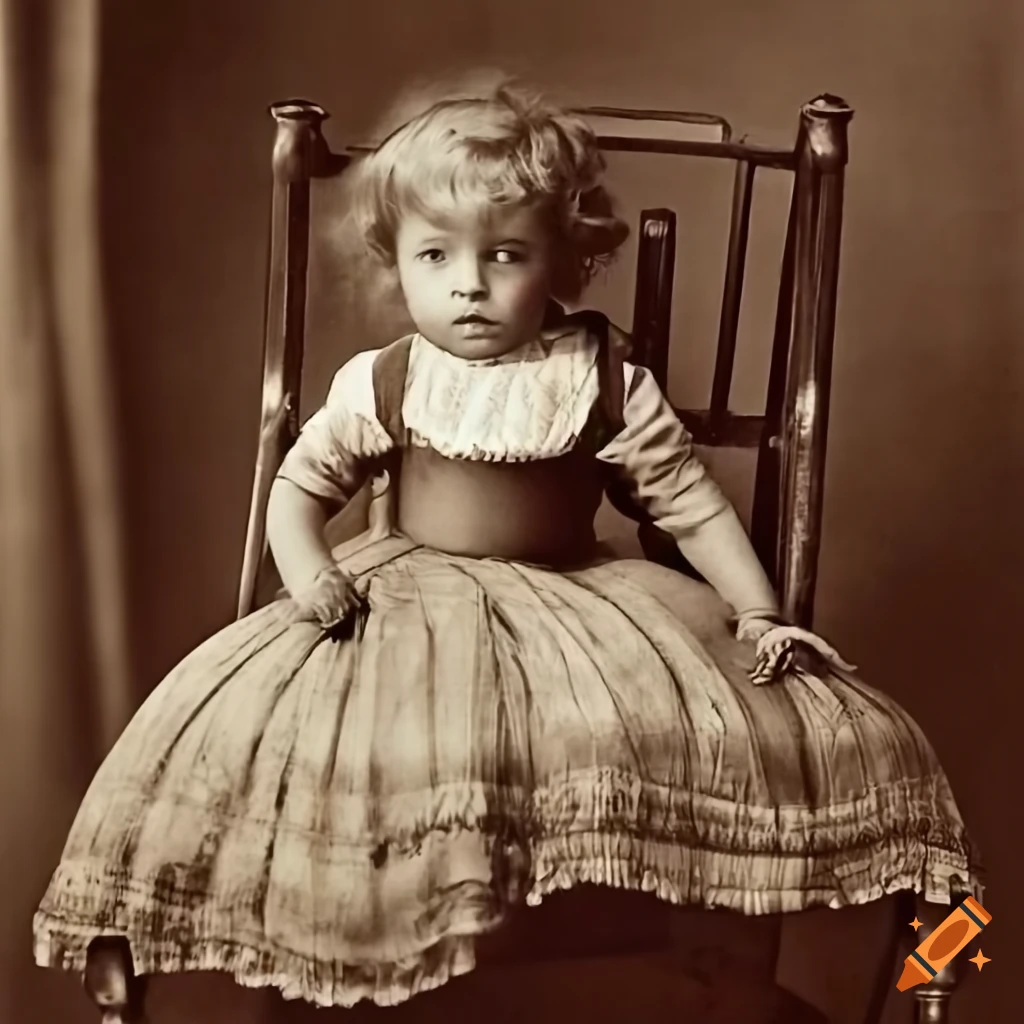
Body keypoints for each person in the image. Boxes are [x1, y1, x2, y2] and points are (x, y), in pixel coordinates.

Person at [33, 83, 980, 1010]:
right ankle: (402, 959)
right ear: (395, 260)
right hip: (408, 598)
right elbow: (297, 491)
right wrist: (312, 572)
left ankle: (926, 956)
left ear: (562, 262)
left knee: (832, 730)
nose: (469, 284)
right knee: (345, 749)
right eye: (436, 254)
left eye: (507, 255)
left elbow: (688, 503)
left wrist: (760, 610)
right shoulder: (389, 379)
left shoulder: (599, 375)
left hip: (581, 597)